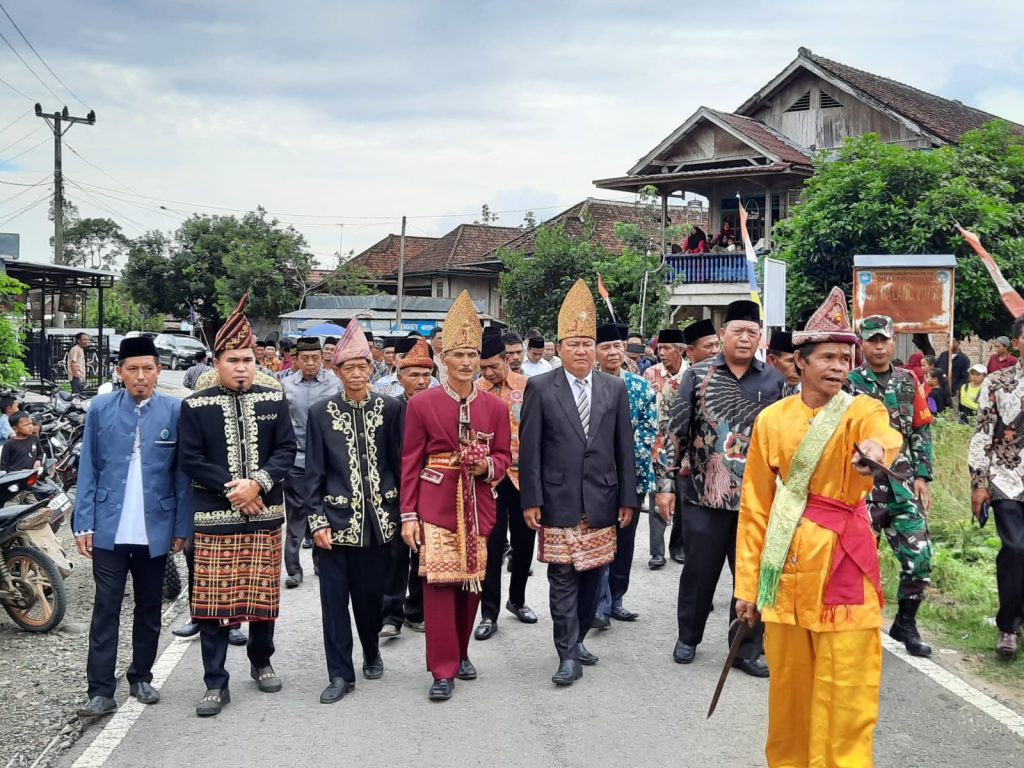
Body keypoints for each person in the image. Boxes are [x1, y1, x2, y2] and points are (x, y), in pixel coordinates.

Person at [735, 286, 901, 767]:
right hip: (784, 570)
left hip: (842, 565)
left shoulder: (859, 410)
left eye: (844, 359)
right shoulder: (771, 420)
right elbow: (755, 509)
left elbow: (881, 434)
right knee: (790, 696)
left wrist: (875, 454)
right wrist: (748, 586)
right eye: (827, 356)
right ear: (799, 363)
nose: (837, 366)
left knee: (846, 695)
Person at [178, 295, 297, 717]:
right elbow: (189, 458)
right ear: (217, 362)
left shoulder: (274, 397)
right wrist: (235, 489)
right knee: (210, 602)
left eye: (248, 358)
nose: (243, 367)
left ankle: (261, 662)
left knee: (262, 597)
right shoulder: (194, 404)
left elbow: (286, 449)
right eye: (233, 360)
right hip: (213, 516)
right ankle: (215, 682)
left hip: (265, 513)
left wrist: (258, 484)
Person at [519, 280, 638, 687]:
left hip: (603, 499)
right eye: (574, 344)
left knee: (593, 580)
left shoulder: (614, 387)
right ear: (560, 347)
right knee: (563, 579)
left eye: (588, 343)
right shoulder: (540, 388)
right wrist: (530, 499)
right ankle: (566, 654)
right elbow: (529, 448)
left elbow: (625, 448)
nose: (583, 351)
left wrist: (628, 498)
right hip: (557, 498)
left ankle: (580, 635)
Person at [657, 300, 785, 677]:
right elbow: (674, 432)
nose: (745, 338)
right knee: (699, 571)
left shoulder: (775, 381)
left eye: (752, 332)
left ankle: (745, 648)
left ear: (759, 338)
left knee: (752, 576)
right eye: (737, 331)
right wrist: (665, 484)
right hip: (703, 495)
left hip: (757, 500)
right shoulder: (697, 377)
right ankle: (688, 637)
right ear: (723, 335)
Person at [399, 291, 511, 701]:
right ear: (443, 356)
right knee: (439, 586)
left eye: (472, 355)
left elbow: (503, 455)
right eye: (458, 354)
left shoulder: (495, 408)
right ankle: (442, 668)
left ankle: (462, 653)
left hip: (478, 505)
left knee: (471, 585)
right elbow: (410, 462)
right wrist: (408, 514)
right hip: (435, 505)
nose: (465, 362)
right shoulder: (423, 404)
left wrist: (487, 467)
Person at [73, 336, 191, 719]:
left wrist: (181, 525)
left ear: (158, 371)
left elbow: (182, 475)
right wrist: (83, 523)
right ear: (120, 372)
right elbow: (89, 468)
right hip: (108, 527)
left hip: (155, 527)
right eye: (132, 369)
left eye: (148, 369)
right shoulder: (101, 408)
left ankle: (141, 676)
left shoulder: (175, 410)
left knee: (149, 607)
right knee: (105, 608)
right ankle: (100, 690)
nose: (140, 376)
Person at [304, 318, 403, 703]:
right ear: (337, 370)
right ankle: (340, 675)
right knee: (333, 602)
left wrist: (400, 512)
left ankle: (372, 651)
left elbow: (400, 462)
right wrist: (315, 521)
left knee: (368, 598)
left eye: (363, 366)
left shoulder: (391, 408)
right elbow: (313, 471)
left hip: (379, 524)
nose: (357, 373)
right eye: (349, 367)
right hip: (334, 521)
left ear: (371, 368)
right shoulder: (320, 413)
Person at [848, 315, 935, 657]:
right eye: (872, 340)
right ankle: (857, 626)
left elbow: (920, 429)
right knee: (857, 560)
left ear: (893, 339)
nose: (879, 346)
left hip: (901, 482)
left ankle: (905, 623)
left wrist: (923, 475)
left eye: (884, 339)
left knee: (920, 556)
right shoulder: (849, 383)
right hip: (862, 488)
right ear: (862, 343)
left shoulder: (907, 380)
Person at [473, 328, 536, 641]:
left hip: (524, 478)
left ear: (507, 360)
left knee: (525, 543)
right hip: (490, 480)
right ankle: (488, 612)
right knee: (492, 546)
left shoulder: (528, 387)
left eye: (493, 366)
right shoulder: (475, 392)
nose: (488, 373)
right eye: (483, 368)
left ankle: (518, 600)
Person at [593, 323, 656, 628]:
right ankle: (600, 603)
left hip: (632, 474)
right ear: (595, 351)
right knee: (600, 537)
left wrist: (625, 462)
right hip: (595, 477)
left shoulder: (641, 387)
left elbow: (648, 430)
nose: (613, 352)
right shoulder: (587, 384)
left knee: (625, 539)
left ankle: (617, 598)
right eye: (605, 347)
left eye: (617, 346)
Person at [970, 315, 1024, 657]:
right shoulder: (997, 381)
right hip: (1008, 478)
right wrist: (979, 482)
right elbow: (982, 432)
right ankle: (1008, 627)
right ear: (1018, 342)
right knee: (1016, 550)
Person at [379, 338, 432, 638]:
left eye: (426, 375)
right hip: (396, 493)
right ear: (400, 377)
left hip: (430, 491)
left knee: (425, 554)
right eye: (414, 375)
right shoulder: (391, 408)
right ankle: (391, 615)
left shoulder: (438, 406)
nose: (421, 381)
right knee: (395, 555)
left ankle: (417, 610)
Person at [281, 337, 341, 589]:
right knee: (296, 515)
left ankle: (320, 562)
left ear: (322, 359)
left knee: (323, 513)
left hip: (326, 460)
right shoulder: (285, 385)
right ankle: (293, 570)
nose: (310, 363)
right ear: (296, 360)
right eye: (304, 358)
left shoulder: (335, 383)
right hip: (296, 458)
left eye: (315, 358)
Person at [645, 328, 687, 568]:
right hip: (658, 444)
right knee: (657, 497)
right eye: (659, 348)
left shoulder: (691, 374)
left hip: (684, 444)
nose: (661, 352)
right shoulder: (650, 373)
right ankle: (656, 552)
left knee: (681, 498)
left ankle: (678, 547)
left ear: (680, 350)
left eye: (667, 348)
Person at [937, 336, 970, 405]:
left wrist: (958, 389)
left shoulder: (964, 359)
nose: (949, 344)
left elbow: (964, 377)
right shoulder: (943, 355)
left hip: (954, 392)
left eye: (952, 342)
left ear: (958, 343)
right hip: (941, 390)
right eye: (948, 342)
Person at [767, 330, 800, 395]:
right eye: (791, 361)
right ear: (772, 360)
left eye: (801, 361)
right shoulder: (760, 394)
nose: (798, 368)